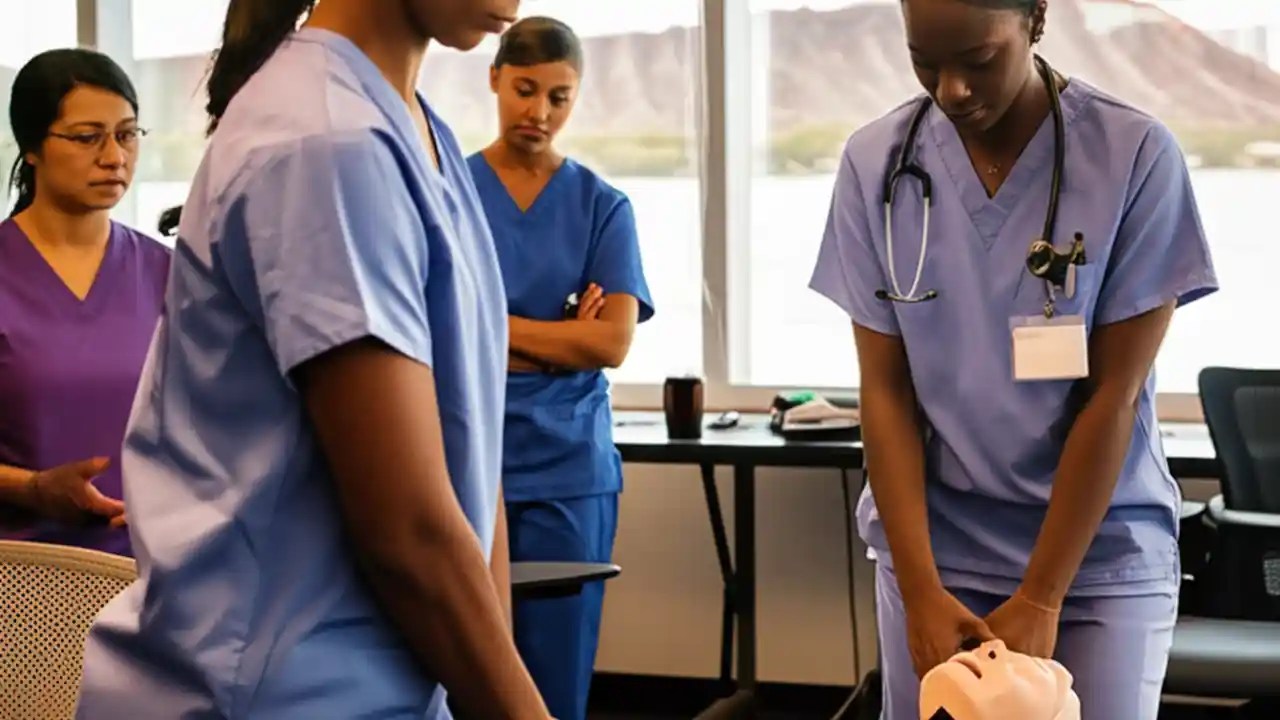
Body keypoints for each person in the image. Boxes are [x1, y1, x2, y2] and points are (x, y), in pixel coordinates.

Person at [74, 1, 554, 719]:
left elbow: (469, 473)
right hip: (275, 694)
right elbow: (408, 531)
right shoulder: (325, 144)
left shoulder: (417, 133)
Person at [808, 1, 1217, 718]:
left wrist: (1042, 596)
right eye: (925, 62)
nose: (951, 90)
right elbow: (886, 392)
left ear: (1036, 19)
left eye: (978, 61)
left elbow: (1113, 396)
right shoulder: (877, 164)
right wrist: (920, 590)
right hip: (937, 555)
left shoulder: (1133, 156)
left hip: (1095, 556)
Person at [466, 17, 654, 720]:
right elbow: (430, 332)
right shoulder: (449, 192)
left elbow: (610, 344)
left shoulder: (602, 207)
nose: (539, 112)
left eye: (559, 97)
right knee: (460, 677)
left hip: (569, 471)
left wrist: (489, 326)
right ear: (494, 79)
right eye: (524, 90)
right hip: (466, 457)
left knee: (554, 686)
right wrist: (560, 334)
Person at [0, 48, 169, 557]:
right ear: (32, 146)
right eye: (87, 137)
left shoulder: (169, 273)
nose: (114, 157)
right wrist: (31, 489)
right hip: (23, 574)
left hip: (152, 571)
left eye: (127, 134)